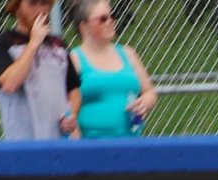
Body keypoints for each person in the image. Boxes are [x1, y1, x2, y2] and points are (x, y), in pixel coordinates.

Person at [66, 0, 156, 140]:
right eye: (103, 19)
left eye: (112, 16)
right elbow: (67, 109)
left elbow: (149, 91)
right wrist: (77, 146)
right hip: (93, 145)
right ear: (84, 26)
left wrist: (144, 103)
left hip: (131, 142)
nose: (110, 21)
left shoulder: (127, 53)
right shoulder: (75, 59)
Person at [0, 0, 74, 141]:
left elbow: (73, 88)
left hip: (58, 141)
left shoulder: (58, 45)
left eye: (45, 3)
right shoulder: (4, 43)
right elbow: (10, 84)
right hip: (23, 143)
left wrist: (71, 115)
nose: (40, 9)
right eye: (33, 3)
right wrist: (34, 43)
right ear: (17, 8)